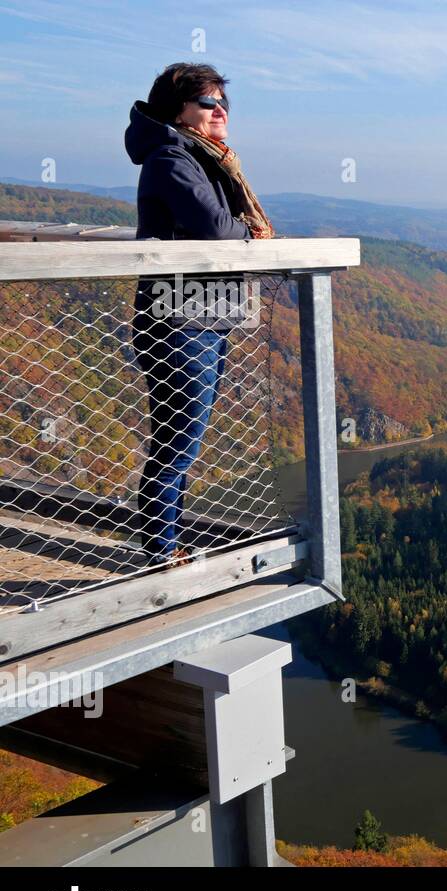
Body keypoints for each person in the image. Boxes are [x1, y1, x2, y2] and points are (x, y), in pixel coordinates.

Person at [124, 62, 274, 565]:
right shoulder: (171, 156)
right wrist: (246, 230)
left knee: (179, 441)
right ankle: (161, 553)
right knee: (178, 443)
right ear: (179, 111)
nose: (221, 112)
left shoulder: (202, 157)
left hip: (203, 315)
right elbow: (214, 228)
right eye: (209, 103)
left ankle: (165, 547)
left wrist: (238, 226)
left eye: (224, 103)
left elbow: (218, 224)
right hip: (180, 320)